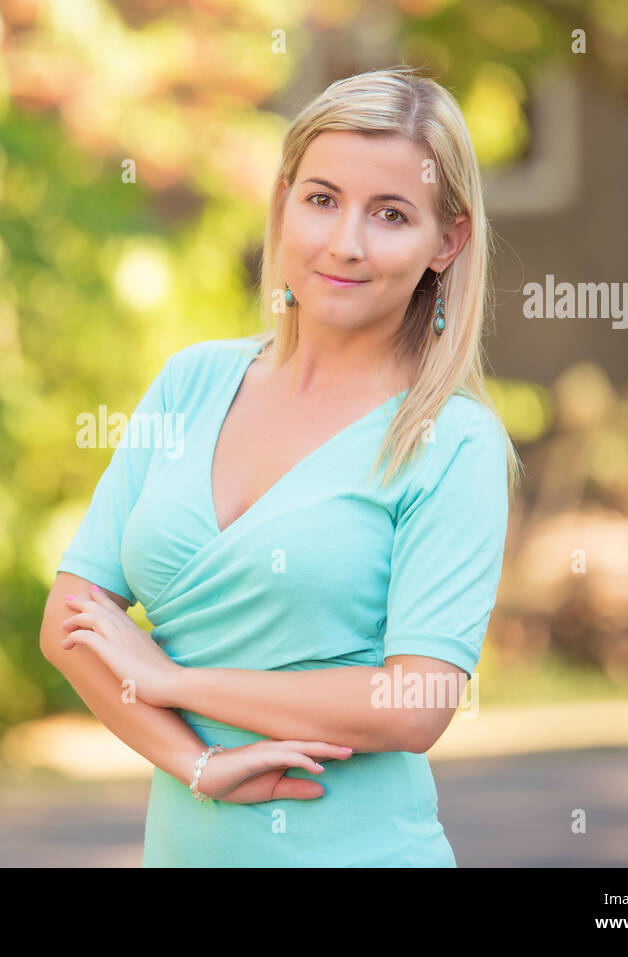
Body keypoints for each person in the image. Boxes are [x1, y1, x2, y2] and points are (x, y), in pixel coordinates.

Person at [40, 65, 523, 866]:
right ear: (284, 200)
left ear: (448, 241)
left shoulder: (453, 440)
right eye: (323, 199)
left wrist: (177, 682)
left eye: (391, 214)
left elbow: (416, 702)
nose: (346, 243)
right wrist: (199, 763)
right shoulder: (192, 380)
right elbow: (70, 623)